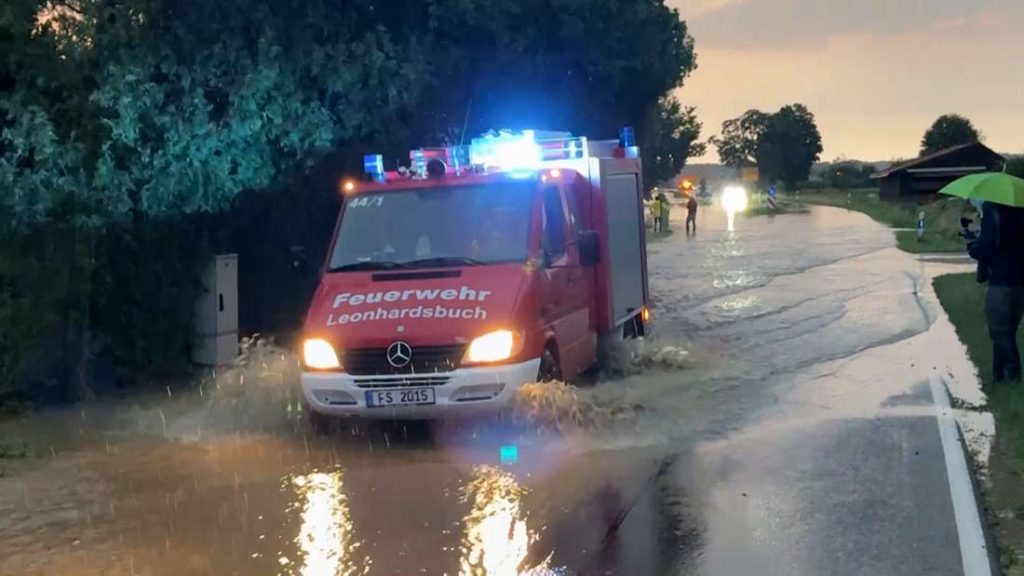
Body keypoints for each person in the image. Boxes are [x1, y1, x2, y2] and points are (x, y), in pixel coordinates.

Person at [968, 201, 1024, 383]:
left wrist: (972, 246)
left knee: (998, 331)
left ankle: (1014, 373)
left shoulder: (992, 211)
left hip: (1000, 282)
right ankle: (998, 376)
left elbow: (986, 249)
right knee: (1009, 330)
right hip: (1020, 282)